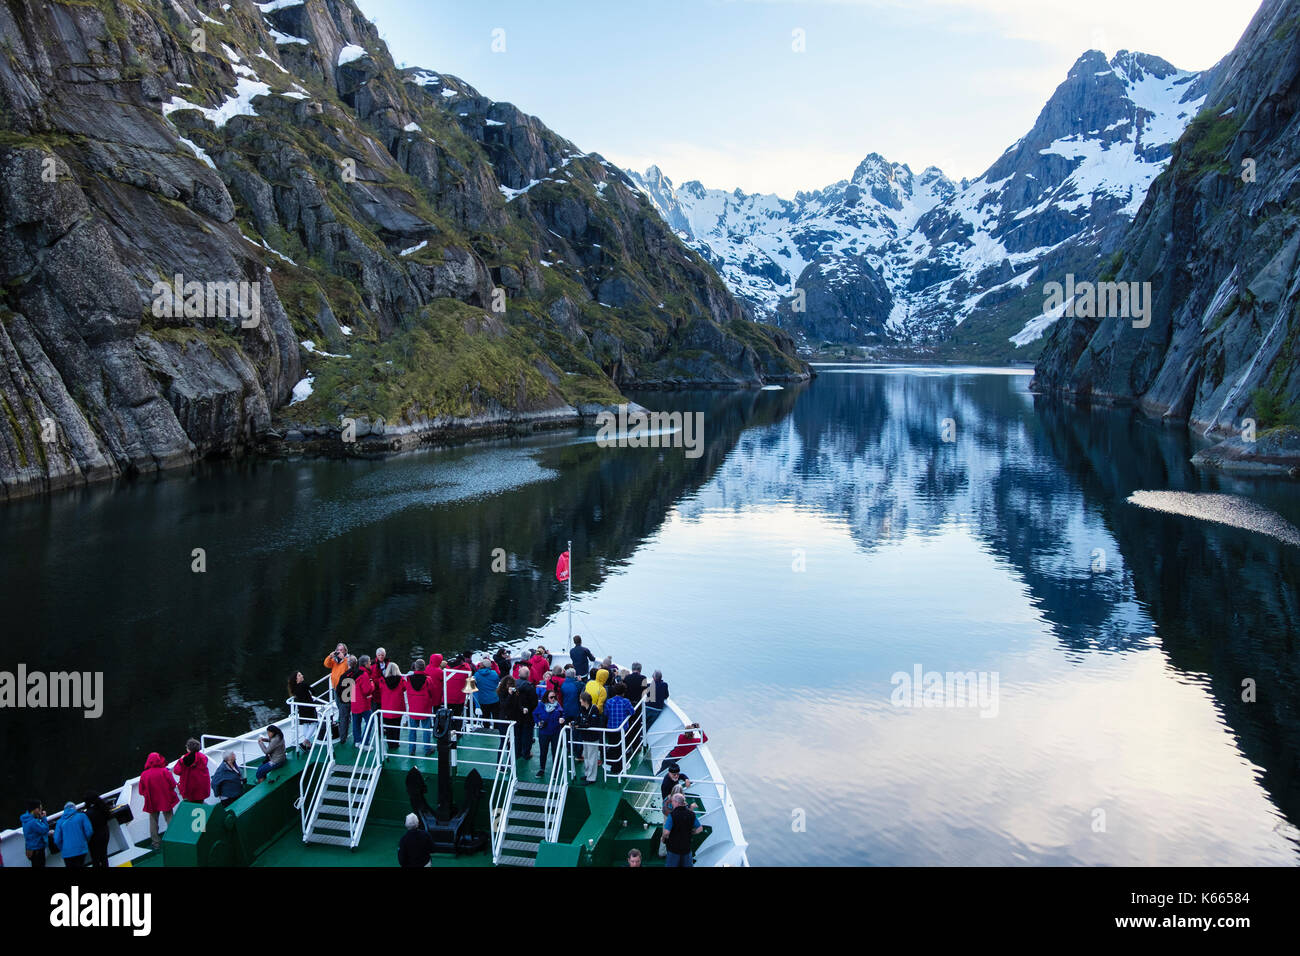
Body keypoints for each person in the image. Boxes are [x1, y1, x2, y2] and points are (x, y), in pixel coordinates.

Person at [140, 752, 178, 850]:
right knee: (169, 818)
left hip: (152, 802)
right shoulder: (164, 771)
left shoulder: (144, 774)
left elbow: (141, 791)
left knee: (153, 821)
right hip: (165, 799)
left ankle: (156, 843)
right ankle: (174, 839)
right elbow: (173, 785)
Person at [661, 793, 702, 867]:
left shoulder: (672, 815)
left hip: (673, 849)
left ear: (676, 802)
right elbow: (700, 829)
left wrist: (663, 838)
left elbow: (666, 832)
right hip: (686, 848)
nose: (672, 803)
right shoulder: (691, 814)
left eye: (672, 801)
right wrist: (692, 832)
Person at [407, 660, 437, 757]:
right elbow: (433, 692)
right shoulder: (428, 679)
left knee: (412, 730)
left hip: (413, 707)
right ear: (424, 667)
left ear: (415, 667)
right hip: (425, 707)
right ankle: (427, 749)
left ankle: (411, 750)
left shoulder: (408, 678)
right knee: (426, 729)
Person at [534, 688, 566, 778]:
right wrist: (538, 722)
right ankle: (542, 769)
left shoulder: (557, 705)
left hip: (555, 732)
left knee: (555, 752)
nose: (553, 699)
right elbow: (534, 714)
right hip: (544, 732)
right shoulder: (541, 705)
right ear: (546, 698)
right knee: (543, 751)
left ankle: (556, 770)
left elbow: (563, 714)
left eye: (555, 697)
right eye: (551, 697)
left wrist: (563, 719)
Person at [323, 644, 350, 742]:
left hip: (346, 689)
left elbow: (351, 668)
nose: (340, 652)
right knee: (339, 707)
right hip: (336, 688)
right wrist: (330, 656)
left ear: (345, 651)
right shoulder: (334, 661)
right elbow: (326, 664)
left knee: (344, 713)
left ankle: (343, 736)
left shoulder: (348, 659)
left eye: (342, 650)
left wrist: (344, 659)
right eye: (338, 650)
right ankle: (347, 721)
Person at [603, 683, 633, 773]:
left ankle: (613, 765)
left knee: (613, 746)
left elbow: (606, 714)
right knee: (621, 747)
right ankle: (619, 766)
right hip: (622, 729)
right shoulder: (626, 701)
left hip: (611, 729)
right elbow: (632, 712)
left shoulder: (609, 701)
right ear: (623, 692)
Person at [53, 801, 93, 868]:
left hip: (67, 853)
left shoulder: (59, 822)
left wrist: (62, 848)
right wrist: (84, 841)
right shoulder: (82, 816)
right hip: (81, 849)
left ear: (64, 810)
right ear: (75, 808)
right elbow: (89, 831)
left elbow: (57, 840)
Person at [378, 662, 408, 751]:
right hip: (397, 708)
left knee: (388, 727)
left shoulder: (382, 681)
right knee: (396, 726)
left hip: (386, 708)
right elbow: (405, 688)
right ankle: (396, 743)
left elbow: (380, 688)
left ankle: (390, 744)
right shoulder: (401, 680)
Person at [347, 655, 375, 747]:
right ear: (366, 664)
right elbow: (366, 690)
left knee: (356, 723)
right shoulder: (364, 675)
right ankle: (365, 742)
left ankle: (357, 741)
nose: (370, 664)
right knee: (370, 721)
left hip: (354, 701)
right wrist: (372, 684)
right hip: (363, 703)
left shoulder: (354, 673)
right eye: (369, 663)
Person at [575, 692, 603, 784]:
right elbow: (579, 719)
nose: (579, 701)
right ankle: (587, 774)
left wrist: (580, 725)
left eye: (580, 699)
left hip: (592, 738)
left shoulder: (594, 709)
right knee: (586, 756)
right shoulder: (582, 708)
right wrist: (575, 723)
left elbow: (592, 724)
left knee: (592, 758)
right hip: (585, 737)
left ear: (585, 701)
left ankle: (591, 778)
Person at [173, 738, 211, 802]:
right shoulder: (203, 757)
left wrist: (180, 760)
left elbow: (177, 771)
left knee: (191, 808)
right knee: (200, 805)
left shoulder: (184, 759)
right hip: (201, 789)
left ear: (188, 748)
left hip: (189, 790)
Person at [82, 792, 112, 868]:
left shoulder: (87, 814)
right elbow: (108, 816)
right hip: (105, 833)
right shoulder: (102, 808)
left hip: (94, 838)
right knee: (104, 856)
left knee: (95, 858)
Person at [20, 801, 49, 867]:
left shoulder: (26, 819)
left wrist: (38, 817)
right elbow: (45, 830)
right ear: (35, 809)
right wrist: (44, 817)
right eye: (40, 809)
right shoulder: (32, 822)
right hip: (37, 851)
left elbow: (35, 828)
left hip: (30, 850)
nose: (41, 810)